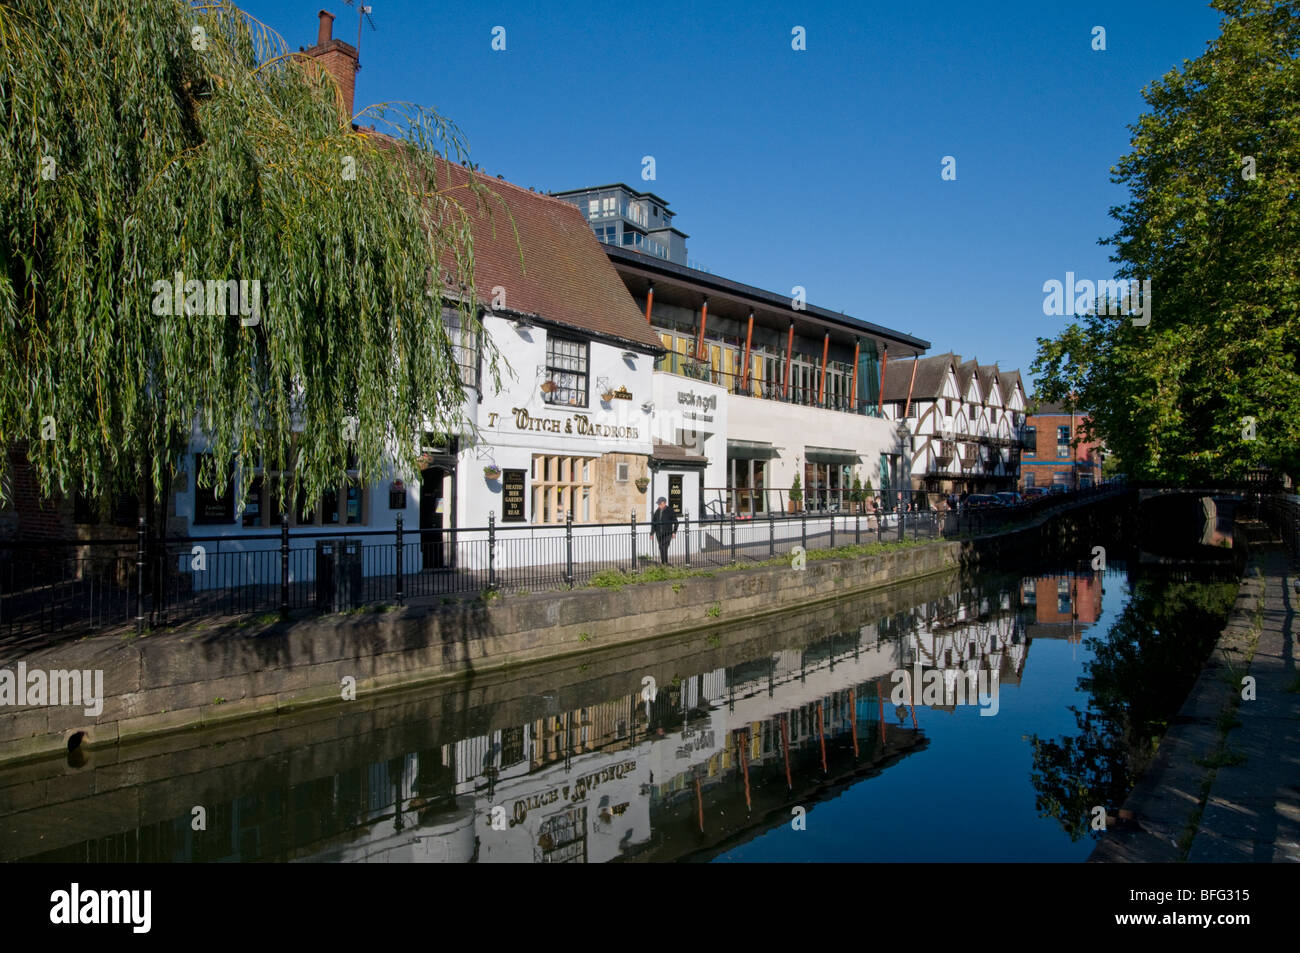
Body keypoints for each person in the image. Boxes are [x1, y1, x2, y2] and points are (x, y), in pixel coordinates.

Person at [651, 496, 678, 565]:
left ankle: (664, 563)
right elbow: (654, 523)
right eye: (658, 504)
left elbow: (676, 522)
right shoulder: (657, 511)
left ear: (664, 503)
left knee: (664, 547)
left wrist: (674, 532)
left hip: (667, 533)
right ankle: (664, 563)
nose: (659, 505)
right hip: (659, 533)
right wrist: (652, 533)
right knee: (661, 547)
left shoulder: (670, 510)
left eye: (660, 504)